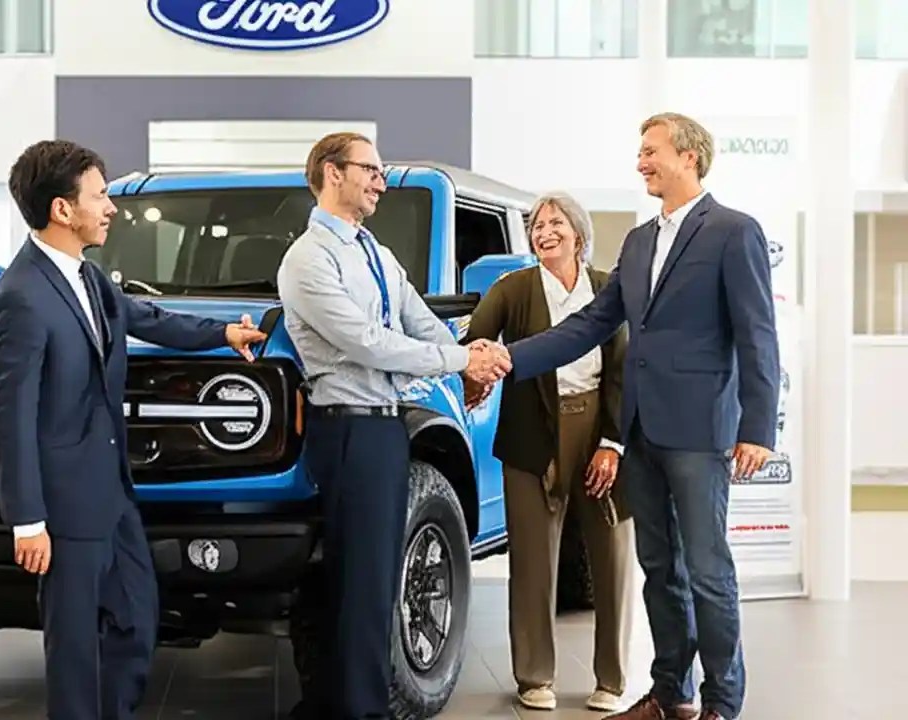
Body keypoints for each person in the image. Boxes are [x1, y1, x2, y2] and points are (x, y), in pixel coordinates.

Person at [491, 113, 779, 720]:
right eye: (640, 153)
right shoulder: (640, 240)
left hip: (701, 433)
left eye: (650, 151)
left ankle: (724, 704)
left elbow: (758, 335)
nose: (641, 162)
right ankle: (672, 692)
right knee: (659, 570)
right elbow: (591, 324)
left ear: (688, 157)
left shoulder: (734, 231)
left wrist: (758, 427)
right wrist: (509, 358)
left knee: (707, 571)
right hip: (640, 434)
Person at [0, 138, 267, 720]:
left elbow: (147, 318)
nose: (111, 207)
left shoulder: (87, 277)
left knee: (137, 621)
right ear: (63, 210)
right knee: (72, 646)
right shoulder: (22, 297)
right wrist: (27, 521)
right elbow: (10, 415)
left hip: (112, 492)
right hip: (64, 506)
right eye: (100, 195)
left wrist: (223, 336)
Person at [276, 131, 511, 718]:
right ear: (333, 174)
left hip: (384, 427)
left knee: (376, 577)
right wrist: (462, 362)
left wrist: (471, 355)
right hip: (347, 428)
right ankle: (359, 709)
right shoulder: (309, 258)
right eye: (370, 170)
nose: (381, 180)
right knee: (358, 583)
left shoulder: (374, 253)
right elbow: (367, 343)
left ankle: (341, 702)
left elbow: (419, 321)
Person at [463, 191, 635, 713]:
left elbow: (626, 370)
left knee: (613, 560)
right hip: (531, 435)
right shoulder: (512, 289)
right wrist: (476, 376)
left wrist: (613, 443)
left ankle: (612, 679)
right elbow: (477, 340)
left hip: (600, 430)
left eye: (555, 222)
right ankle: (534, 676)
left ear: (579, 233)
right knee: (534, 563)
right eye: (537, 225)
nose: (545, 231)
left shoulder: (608, 289)